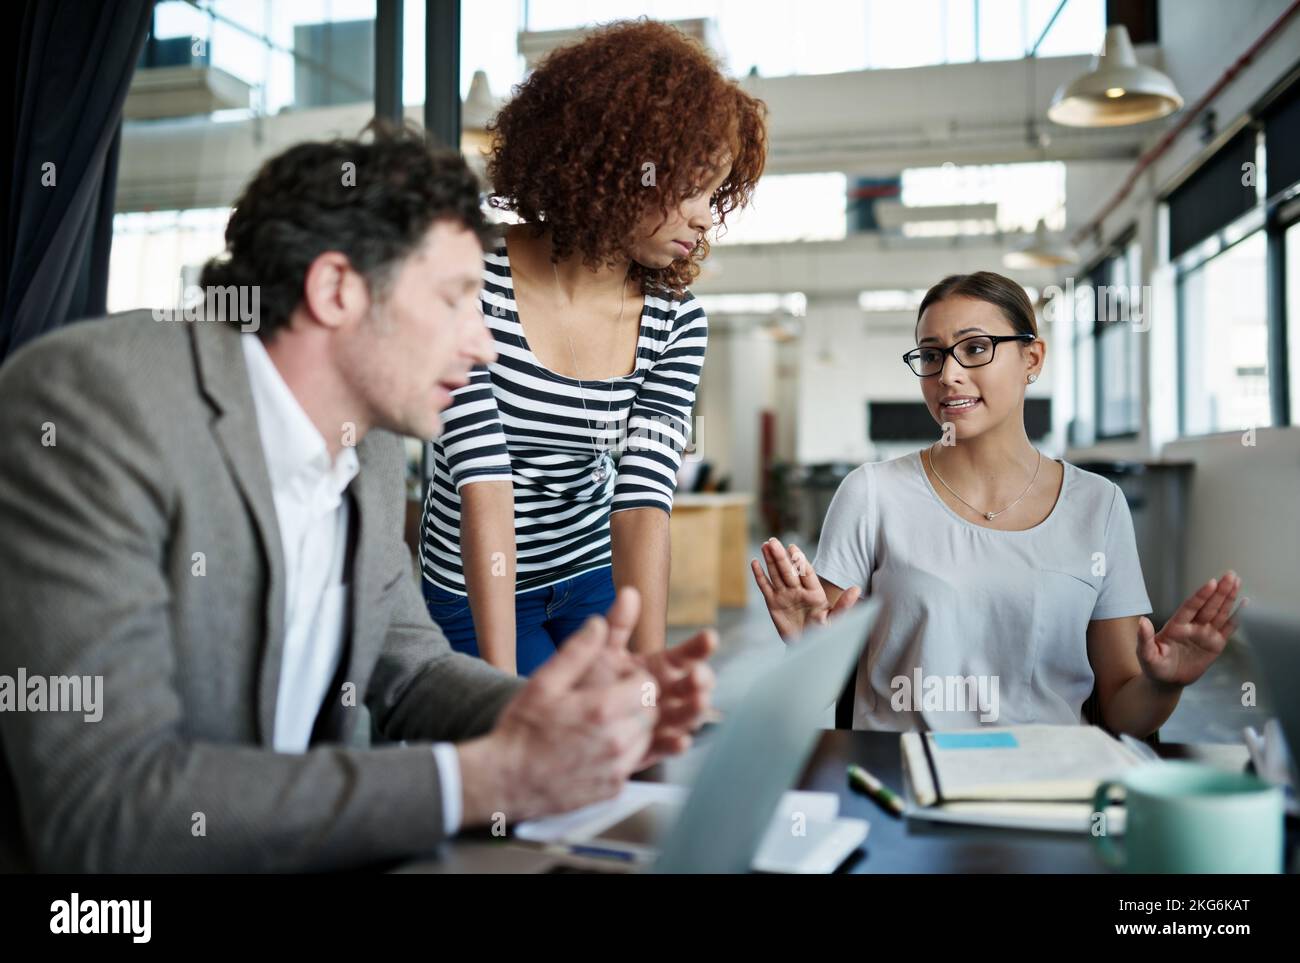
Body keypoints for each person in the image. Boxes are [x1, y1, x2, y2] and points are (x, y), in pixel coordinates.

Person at [0, 123, 715, 872]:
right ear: (336, 288)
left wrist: (558, 721)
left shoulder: (367, 443)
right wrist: (482, 778)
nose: (484, 346)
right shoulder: (94, 406)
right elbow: (105, 805)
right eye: (455, 301)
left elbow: (410, 669)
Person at [419, 19, 768, 674]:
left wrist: (649, 681)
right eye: (691, 187)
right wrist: (502, 697)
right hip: (476, 583)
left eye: (714, 194)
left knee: (624, 738)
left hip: (587, 574)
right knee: (531, 750)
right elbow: (482, 483)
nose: (705, 214)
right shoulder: (468, 273)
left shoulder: (675, 322)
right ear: (612, 165)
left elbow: (642, 503)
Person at [752, 271, 1239, 735]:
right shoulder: (872, 494)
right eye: (932, 355)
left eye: (976, 348)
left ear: (1032, 359)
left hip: (1049, 782)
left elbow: (1122, 711)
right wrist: (807, 651)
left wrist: (1163, 683)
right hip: (902, 775)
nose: (949, 374)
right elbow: (825, 690)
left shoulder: (1098, 505)